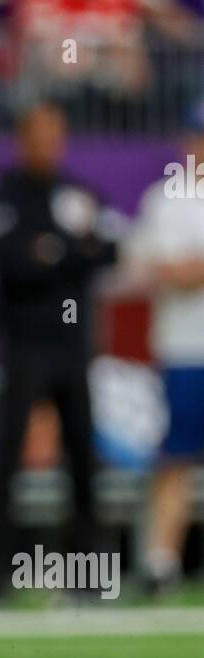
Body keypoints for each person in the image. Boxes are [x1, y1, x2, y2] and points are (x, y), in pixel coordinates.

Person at [0, 103, 118, 600]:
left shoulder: (76, 193)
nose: (48, 145)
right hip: (25, 344)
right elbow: (12, 262)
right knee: (8, 460)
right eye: (39, 135)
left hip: (73, 346)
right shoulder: (5, 195)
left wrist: (54, 248)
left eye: (55, 135)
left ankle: (87, 578)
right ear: (22, 138)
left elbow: (109, 251)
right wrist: (69, 250)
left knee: (83, 458)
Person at [124, 114, 204, 594]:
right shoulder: (164, 201)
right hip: (183, 349)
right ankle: (161, 564)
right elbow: (161, 271)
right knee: (174, 459)